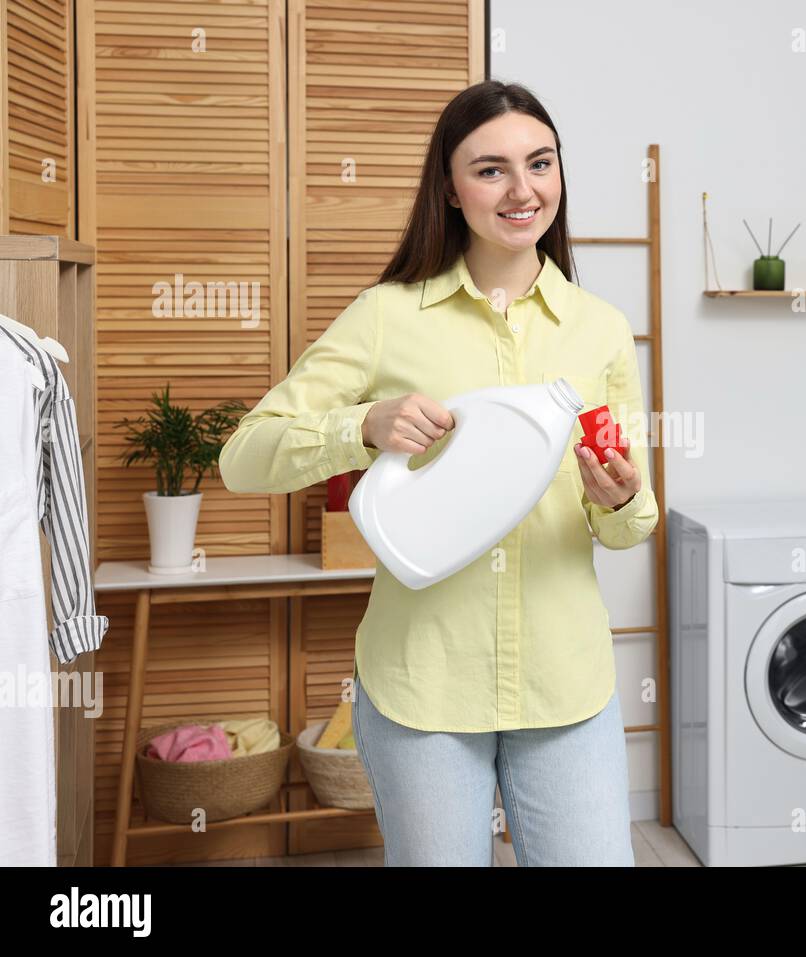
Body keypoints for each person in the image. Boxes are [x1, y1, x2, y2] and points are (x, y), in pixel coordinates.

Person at [218, 80, 658, 866]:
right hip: (424, 688)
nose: (523, 190)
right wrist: (362, 426)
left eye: (541, 163)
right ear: (450, 192)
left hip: (567, 687)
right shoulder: (389, 314)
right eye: (490, 170)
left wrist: (620, 499)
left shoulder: (600, 331)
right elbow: (245, 455)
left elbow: (629, 521)